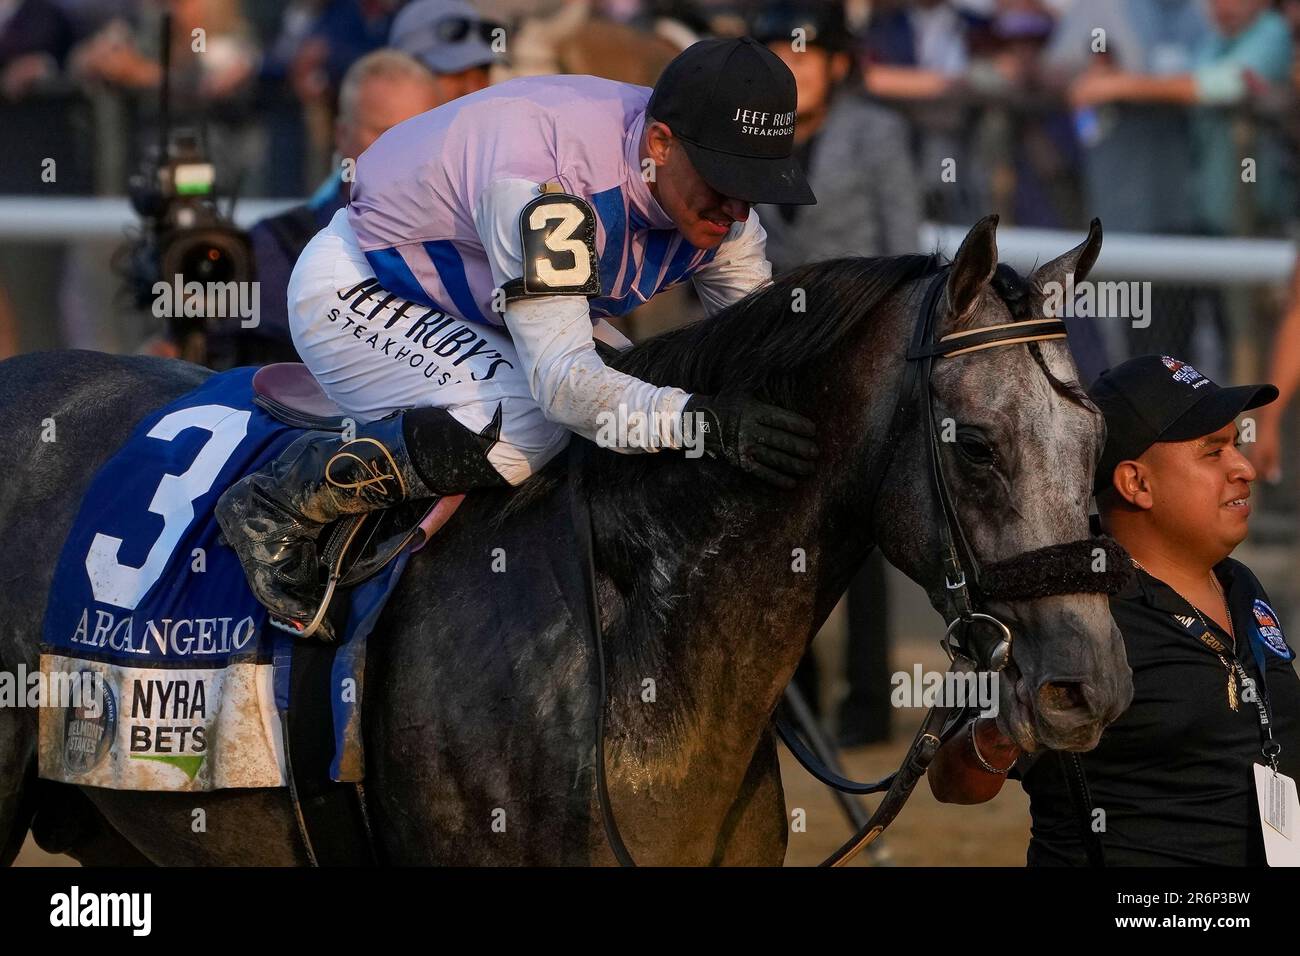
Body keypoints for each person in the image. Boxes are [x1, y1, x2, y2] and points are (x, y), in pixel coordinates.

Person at [216, 38, 822, 639]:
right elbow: (565, 387)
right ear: (659, 143)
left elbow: (763, 349)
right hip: (361, 283)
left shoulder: (715, 200)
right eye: (723, 181)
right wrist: (706, 424)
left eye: (753, 185)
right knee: (533, 421)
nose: (736, 212)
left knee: (636, 388)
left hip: (480, 291)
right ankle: (281, 501)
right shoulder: (550, 191)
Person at [928, 354, 1300, 866]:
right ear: (1136, 484)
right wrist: (1007, 730)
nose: (1245, 468)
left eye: (1236, 445)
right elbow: (951, 781)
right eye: (1214, 452)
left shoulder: (1239, 583)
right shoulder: (1061, 604)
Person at [751, 0, 922, 745]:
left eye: (805, 54)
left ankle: (868, 702)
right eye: (777, 54)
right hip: (771, 363)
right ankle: (793, 699)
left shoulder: (876, 132)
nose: (790, 68)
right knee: (776, 529)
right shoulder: (748, 137)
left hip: (865, 354)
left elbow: (905, 245)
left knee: (869, 535)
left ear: (839, 64)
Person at [217, 49, 444, 367]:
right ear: (342, 135)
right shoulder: (275, 247)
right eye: (383, 131)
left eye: (417, 131)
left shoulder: (470, 245)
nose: (401, 147)